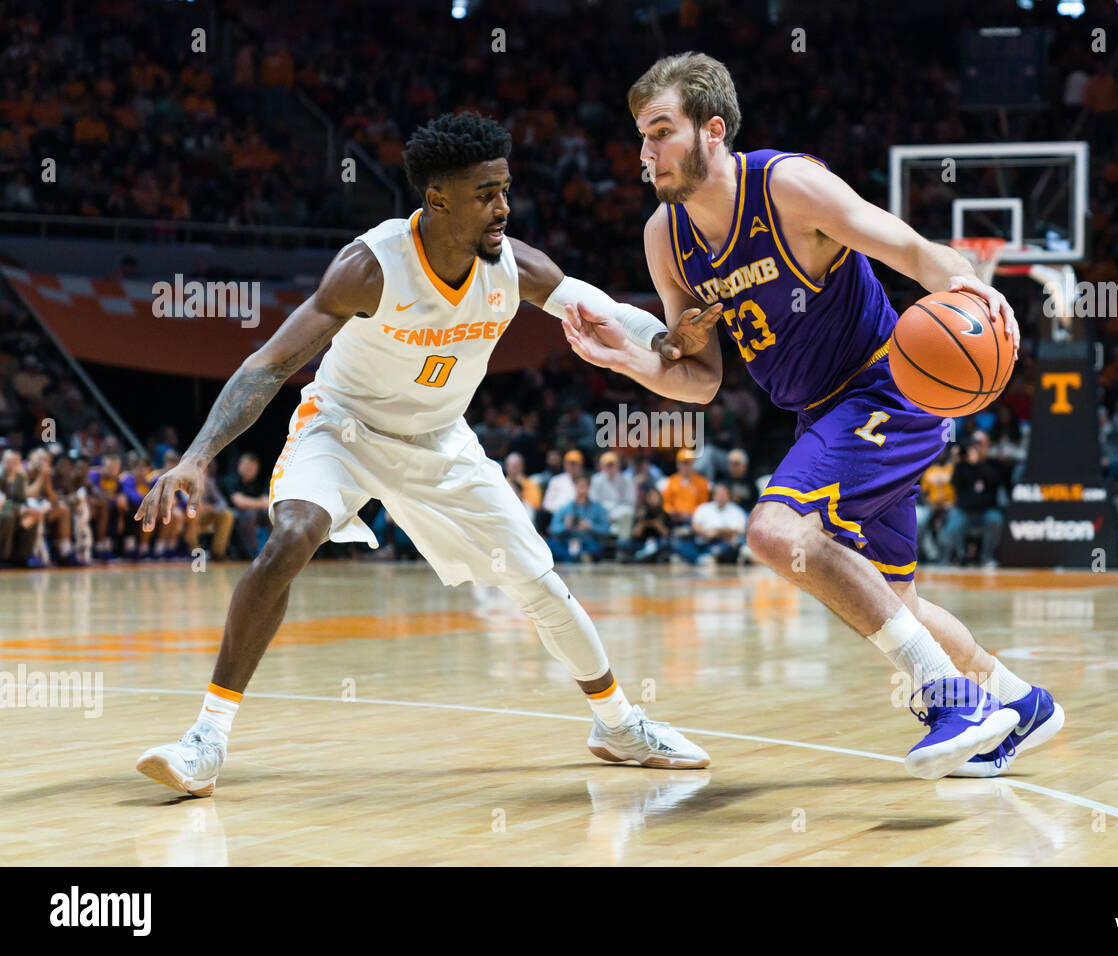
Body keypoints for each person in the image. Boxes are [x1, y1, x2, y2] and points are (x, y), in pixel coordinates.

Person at [134, 113, 707, 797]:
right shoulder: (370, 268)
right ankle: (207, 738)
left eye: (505, 189)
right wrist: (197, 456)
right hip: (342, 430)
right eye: (486, 193)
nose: (503, 207)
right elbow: (269, 363)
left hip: (441, 443)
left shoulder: (513, 267)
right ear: (437, 200)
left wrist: (665, 340)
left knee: (539, 585)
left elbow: (599, 307)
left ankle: (618, 724)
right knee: (290, 537)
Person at [563, 52, 1060, 778]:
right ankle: (1020, 702)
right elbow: (698, 378)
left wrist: (971, 287)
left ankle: (949, 697)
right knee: (893, 601)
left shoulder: (790, 187)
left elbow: (914, 250)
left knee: (772, 531)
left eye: (661, 131)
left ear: (712, 131)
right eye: (640, 135)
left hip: (885, 388)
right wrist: (632, 361)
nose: (646, 152)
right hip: (820, 416)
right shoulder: (664, 240)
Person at [942, 437, 1005, 566]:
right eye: (974, 443)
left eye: (980, 443)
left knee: (995, 520)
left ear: (987, 445)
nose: (976, 447)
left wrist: (978, 464)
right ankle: (960, 556)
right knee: (953, 526)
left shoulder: (992, 463)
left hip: (986, 510)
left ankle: (987, 557)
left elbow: (995, 480)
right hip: (964, 511)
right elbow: (954, 483)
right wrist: (956, 462)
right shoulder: (962, 465)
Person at [547, 474, 610, 563]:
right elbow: (553, 529)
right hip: (568, 542)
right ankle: (575, 558)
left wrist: (591, 526)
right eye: (578, 486)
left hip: (587, 542)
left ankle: (580, 557)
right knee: (550, 544)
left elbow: (606, 529)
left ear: (588, 488)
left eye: (583, 486)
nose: (580, 489)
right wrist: (565, 526)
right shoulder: (565, 508)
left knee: (596, 547)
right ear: (574, 487)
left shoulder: (598, 508)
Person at [680, 481, 747, 565]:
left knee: (733, 546)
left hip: (723, 542)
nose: (720, 496)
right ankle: (703, 558)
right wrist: (705, 532)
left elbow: (739, 530)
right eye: (718, 493)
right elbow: (695, 525)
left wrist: (718, 531)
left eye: (723, 494)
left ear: (729, 495)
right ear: (713, 495)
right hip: (703, 541)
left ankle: (706, 558)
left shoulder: (736, 511)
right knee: (679, 544)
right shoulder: (704, 508)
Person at [221, 452, 271, 559]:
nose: (250, 470)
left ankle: (272, 550)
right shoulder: (231, 480)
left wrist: (256, 503)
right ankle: (252, 553)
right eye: (247, 467)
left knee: (270, 514)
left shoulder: (258, 482)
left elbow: (266, 502)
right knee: (250, 514)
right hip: (232, 513)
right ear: (239, 465)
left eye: (253, 468)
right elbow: (239, 502)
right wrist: (259, 503)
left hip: (253, 512)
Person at [588, 450, 636, 539]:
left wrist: (613, 514)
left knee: (628, 512)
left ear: (618, 465)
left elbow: (630, 502)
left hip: (620, 513)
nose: (610, 468)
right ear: (602, 466)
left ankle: (623, 545)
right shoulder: (596, 479)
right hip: (602, 512)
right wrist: (606, 513)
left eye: (612, 465)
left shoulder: (627, 479)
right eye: (607, 465)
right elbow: (594, 501)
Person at [661, 447, 709, 528]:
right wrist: (673, 512)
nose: (685, 466)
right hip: (674, 519)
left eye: (688, 463)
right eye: (683, 463)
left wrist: (690, 512)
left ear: (693, 463)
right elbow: (666, 503)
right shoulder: (671, 481)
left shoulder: (702, 482)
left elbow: (703, 504)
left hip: (694, 519)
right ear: (677, 464)